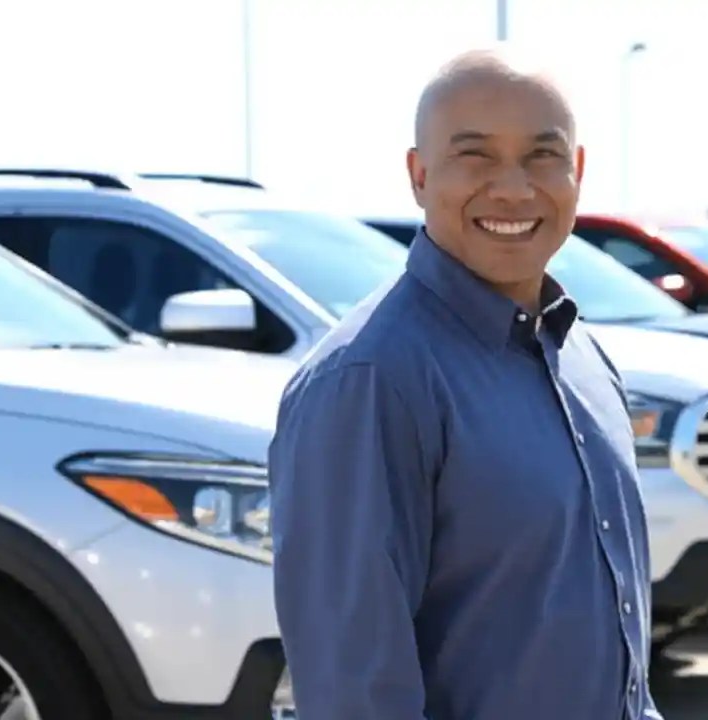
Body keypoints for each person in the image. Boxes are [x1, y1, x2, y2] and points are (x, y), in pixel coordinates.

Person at [268, 46, 661, 720]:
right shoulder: (369, 381)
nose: (512, 188)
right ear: (419, 175)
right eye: (474, 155)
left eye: (542, 155)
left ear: (579, 171)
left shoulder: (582, 356)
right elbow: (355, 695)